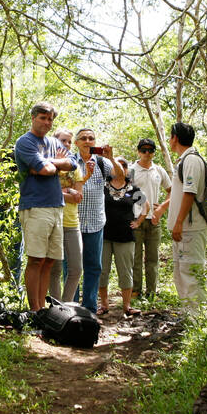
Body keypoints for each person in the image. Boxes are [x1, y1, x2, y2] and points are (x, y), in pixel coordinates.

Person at [14, 103, 75, 311]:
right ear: (33, 118)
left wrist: (50, 164)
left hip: (57, 206)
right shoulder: (24, 142)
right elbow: (46, 170)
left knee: (49, 261)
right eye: (42, 118)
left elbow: (72, 163)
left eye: (50, 119)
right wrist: (54, 164)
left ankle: (42, 310)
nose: (47, 123)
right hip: (35, 207)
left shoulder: (53, 142)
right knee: (36, 259)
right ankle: (34, 311)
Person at [168, 121, 207, 304]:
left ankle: (198, 318)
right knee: (181, 273)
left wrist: (178, 223)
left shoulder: (191, 160)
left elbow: (190, 192)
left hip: (190, 228)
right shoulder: (184, 160)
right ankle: (188, 316)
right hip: (183, 229)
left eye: (170, 137)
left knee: (192, 273)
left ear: (175, 138)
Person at [73, 128, 114, 313]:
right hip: (73, 223)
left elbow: (120, 178)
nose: (88, 141)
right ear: (76, 142)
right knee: (72, 267)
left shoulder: (102, 162)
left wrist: (111, 158)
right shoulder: (70, 162)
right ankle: (70, 306)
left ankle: (89, 308)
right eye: (83, 138)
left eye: (91, 138)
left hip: (96, 222)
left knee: (94, 266)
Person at [99, 158, 144, 317]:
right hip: (103, 235)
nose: (119, 168)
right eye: (115, 165)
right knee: (102, 271)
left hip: (125, 236)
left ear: (126, 169)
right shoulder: (103, 186)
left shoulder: (133, 188)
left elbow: (145, 206)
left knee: (125, 271)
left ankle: (126, 306)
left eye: (124, 165)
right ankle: (104, 305)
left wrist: (138, 222)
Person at [129, 137, 171, 300]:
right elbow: (126, 191)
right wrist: (141, 204)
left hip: (154, 220)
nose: (147, 153)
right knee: (136, 257)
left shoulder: (158, 171)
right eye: (143, 150)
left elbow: (171, 190)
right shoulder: (131, 170)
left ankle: (151, 292)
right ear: (138, 152)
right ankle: (135, 291)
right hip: (136, 219)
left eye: (150, 150)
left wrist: (162, 207)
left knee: (153, 258)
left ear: (154, 152)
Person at [49, 128, 84, 302]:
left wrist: (62, 192)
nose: (67, 144)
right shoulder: (49, 164)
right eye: (63, 141)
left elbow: (78, 197)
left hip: (72, 223)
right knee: (54, 270)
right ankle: (56, 309)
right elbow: (47, 193)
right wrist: (66, 193)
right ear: (54, 141)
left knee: (76, 269)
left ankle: (66, 306)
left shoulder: (74, 167)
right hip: (54, 221)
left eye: (69, 141)